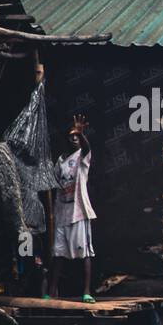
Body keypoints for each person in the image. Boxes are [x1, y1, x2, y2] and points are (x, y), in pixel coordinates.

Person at [48, 114, 97, 303]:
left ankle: (86, 292)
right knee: (58, 254)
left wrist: (81, 133)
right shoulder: (61, 160)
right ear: (67, 140)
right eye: (72, 136)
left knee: (84, 252)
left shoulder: (82, 157)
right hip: (61, 214)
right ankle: (52, 291)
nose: (75, 139)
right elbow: (52, 181)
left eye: (77, 136)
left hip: (78, 213)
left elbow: (87, 147)